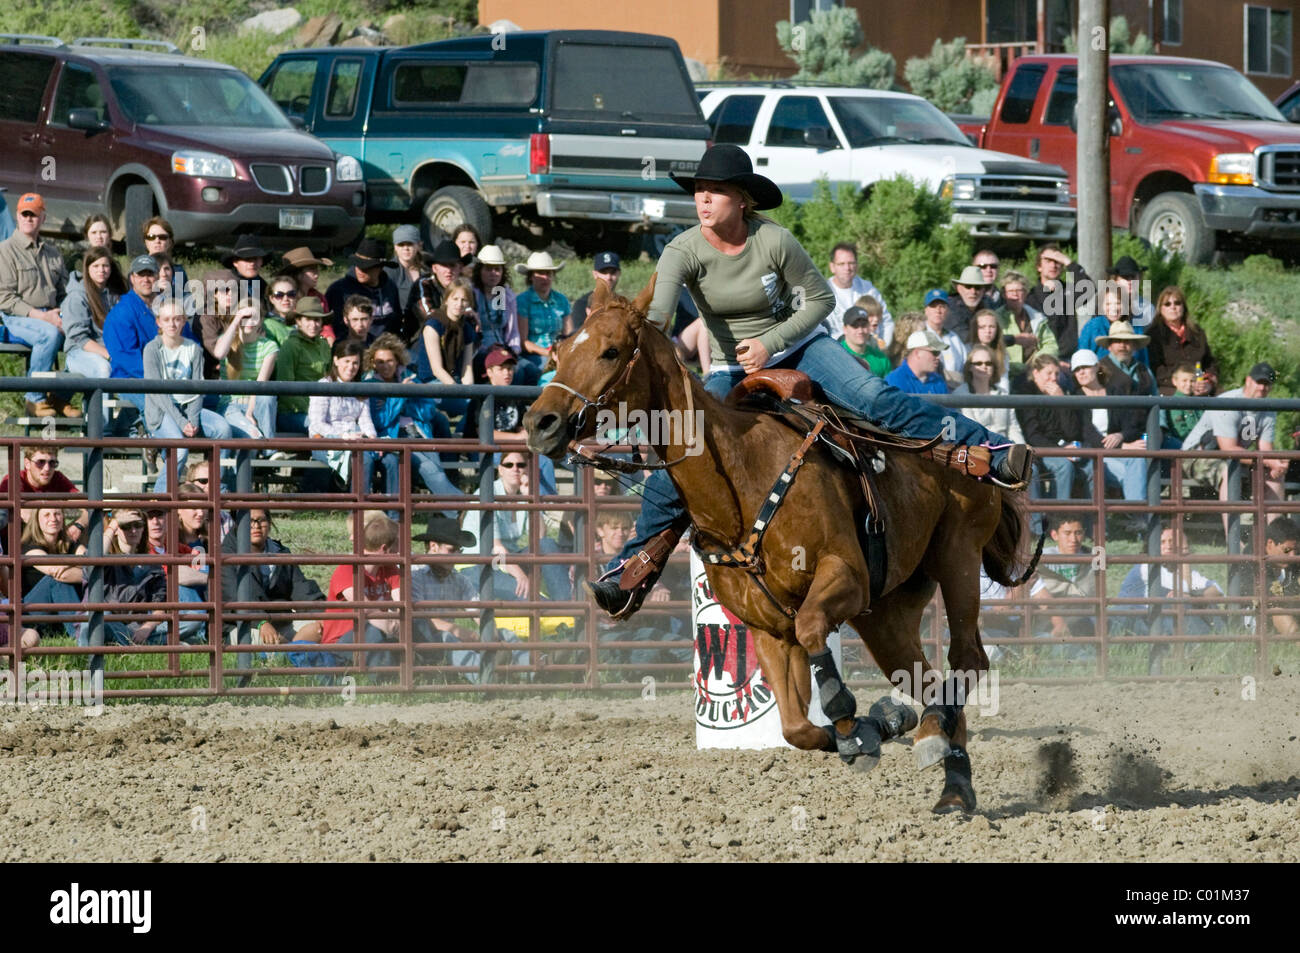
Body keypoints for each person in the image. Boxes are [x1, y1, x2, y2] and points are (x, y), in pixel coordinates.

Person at [588, 144, 1032, 617]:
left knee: (873, 397)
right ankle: (633, 565)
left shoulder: (773, 241)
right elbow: (656, 319)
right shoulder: (683, 249)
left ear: (742, 200)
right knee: (687, 450)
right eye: (699, 190)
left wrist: (769, 341)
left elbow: (820, 301)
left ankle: (990, 449)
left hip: (800, 347)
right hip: (726, 368)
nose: (703, 200)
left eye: (715, 191)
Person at [291, 514, 402, 675]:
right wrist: (395, 624)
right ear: (384, 548)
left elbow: (403, 603)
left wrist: (399, 622)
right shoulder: (347, 569)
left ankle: (433, 668)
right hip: (341, 644)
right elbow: (366, 611)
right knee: (370, 631)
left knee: (416, 622)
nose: (403, 550)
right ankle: (383, 685)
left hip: (382, 632)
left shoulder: (390, 568)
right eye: (398, 544)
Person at [363, 333, 464, 507]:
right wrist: (402, 395)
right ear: (373, 363)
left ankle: (453, 512)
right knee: (432, 471)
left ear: (397, 361)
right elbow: (381, 420)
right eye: (380, 362)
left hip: (419, 431)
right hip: (394, 438)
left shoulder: (411, 378)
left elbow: (428, 411)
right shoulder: (370, 384)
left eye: (389, 361)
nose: (385, 366)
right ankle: (466, 507)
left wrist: (407, 398)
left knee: (436, 470)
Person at [143, 299, 233, 492]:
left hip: (190, 408)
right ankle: (160, 501)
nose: (172, 324)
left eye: (177, 319)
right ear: (159, 322)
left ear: (184, 320)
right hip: (162, 412)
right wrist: (182, 422)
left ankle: (218, 490)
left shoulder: (193, 348)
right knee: (179, 449)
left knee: (223, 430)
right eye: (167, 319)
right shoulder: (152, 349)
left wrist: (192, 419)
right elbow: (157, 393)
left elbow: (197, 387)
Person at [460, 451, 573, 603]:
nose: (515, 469)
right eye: (509, 465)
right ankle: (563, 614)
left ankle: (565, 603)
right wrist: (520, 575)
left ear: (526, 469)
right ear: (500, 469)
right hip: (480, 564)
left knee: (547, 544)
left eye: (521, 465)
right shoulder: (488, 494)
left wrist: (531, 500)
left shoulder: (522, 497)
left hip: (507, 561)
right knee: (534, 599)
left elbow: (539, 538)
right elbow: (496, 548)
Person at [1181, 363, 1286, 521]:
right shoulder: (1228, 402)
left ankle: (1273, 538)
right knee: (1230, 472)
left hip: (1230, 457)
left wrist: (1277, 465)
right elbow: (1228, 448)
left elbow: (1265, 448)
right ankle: (1234, 541)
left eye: (1267, 384)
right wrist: (1270, 461)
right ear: (1248, 381)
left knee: (1274, 476)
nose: (1262, 388)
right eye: (1259, 382)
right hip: (1195, 455)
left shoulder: (1268, 409)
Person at [0, 193, 74, 417]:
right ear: (17, 216)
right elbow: (5, 298)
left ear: (43, 218)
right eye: (24, 214)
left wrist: (65, 315)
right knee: (49, 335)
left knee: (84, 337)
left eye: (34, 215)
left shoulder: (52, 253)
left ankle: (60, 397)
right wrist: (43, 318)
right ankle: (34, 398)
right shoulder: (5, 250)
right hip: (16, 319)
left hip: (52, 315)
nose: (29, 219)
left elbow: (65, 292)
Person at [1118, 523, 1224, 672]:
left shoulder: (1178, 570)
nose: (1168, 546)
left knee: (1206, 602)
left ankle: (1214, 644)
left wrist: (1196, 595)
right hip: (1135, 624)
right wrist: (1185, 556)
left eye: (1173, 542)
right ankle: (1203, 647)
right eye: (1162, 542)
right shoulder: (1147, 566)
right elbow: (1184, 589)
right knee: (1177, 601)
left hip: (1156, 625)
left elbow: (1217, 590)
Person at [220, 508, 325, 648]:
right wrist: (260, 622)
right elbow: (233, 597)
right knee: (266, 641)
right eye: (249, 521)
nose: (256, 526)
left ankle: (289, 652)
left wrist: (322, 614)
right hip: (243, 625)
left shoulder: (280, 552)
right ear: (238, 524)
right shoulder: (225, 555)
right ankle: (293, 652)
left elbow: (301, 588)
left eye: (261, 520)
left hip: (281, 622)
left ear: (269, 522)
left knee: (318, 628)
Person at [465, 345, 558, 495]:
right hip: (485, 448)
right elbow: (484, 433)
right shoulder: (481, 396)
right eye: (501, 369)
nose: (507, 373)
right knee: (516, 463)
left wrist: (524, 434)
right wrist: (517, 437)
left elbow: (521, 425)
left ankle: (549, 508)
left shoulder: (515, 394)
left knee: (543, 460)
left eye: (509, 368)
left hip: (512, 448)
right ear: (489, 372)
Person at [1070, 349, 1149, 506]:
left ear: (1097, 366)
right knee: (1132, 473)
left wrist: (1120, 436)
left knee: (1137, 461)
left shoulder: (1114, 392)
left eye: (1085, 367)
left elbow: (1132, 424)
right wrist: (1123, 445)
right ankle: (1139, 518)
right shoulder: (1075, 397)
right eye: (1077, 370)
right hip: (1094, 453)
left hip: (1116, 452)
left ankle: (1135, 517)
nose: (1081, 373)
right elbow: (1087, 433)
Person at [409, 515, 484, 678]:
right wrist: (460, 632)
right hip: (424, 640)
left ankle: (533, 665)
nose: (456, 556)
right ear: (433, 546)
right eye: (451, 550)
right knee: (447, 638)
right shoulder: (414, 575)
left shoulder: (459, 580)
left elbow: (478, 610)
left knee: (502, 632)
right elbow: (421, 618)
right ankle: (485, 674)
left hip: (450, 637)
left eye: (459, 551)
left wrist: (488, 629)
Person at [1017, 351, 1090, 508]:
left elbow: (1072, 432)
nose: (1054, 378)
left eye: (1057, 374)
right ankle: (1059, 518)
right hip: (1039, 450)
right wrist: (1060, 450)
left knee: (1091, 467)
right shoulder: (1027, 393)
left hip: (1063, 447)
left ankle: (1089, 524)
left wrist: (1061, 401)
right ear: (1036, 373)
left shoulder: (1061, 393)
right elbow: (1032, 435)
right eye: (1048, 373)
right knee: (1064, 466)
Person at [309, 339, 378, 491]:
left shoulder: (361, 388)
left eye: (355, 363)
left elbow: (366, 420)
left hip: (355, 440)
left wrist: (372, 437)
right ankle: (358, 510)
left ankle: (393, 512)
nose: (351, 367)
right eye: (346, 361)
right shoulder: (324, 385)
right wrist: (344, 436)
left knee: (391, 459)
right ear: (336, 360)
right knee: (363, 459)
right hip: (325, 441)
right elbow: (317, 424)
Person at [413, 277, 479, 428]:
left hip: (454, 381)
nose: (459, 304)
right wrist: (458, 392)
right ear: (446, 300)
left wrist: (469, 390)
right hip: (430, 382)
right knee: (468, 406)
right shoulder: (433, 325)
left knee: (478, 404)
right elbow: (437, 369)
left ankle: (464, 440)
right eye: (455, 298)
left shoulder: (467, 328)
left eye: (464, 300)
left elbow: (467, 368)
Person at [211, 297, 278, 442]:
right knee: (253, 434)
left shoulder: (269, 346)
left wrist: (250, 412)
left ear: (261, 320)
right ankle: (268, 450)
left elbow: (260, 384)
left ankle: (269, 453)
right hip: (230, 405)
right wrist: (236, 321)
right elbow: (219, 353)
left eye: (254, 318)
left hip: (255, 404)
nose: (249, 322)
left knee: (267, 398)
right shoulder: (226, 340)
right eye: (245, 317)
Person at [19, 507, 86, 645]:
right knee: (54, 582)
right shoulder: (28, 546)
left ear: (63, 518)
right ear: (36, 520)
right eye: (47, 515)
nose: (53, 519)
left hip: (58, 615)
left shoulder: (69, 543)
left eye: (57, 514)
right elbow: (57, 572)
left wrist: (69, 567)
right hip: (32, 613)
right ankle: (83, 637)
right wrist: (81, 567)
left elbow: (93, 563)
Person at [0, 447, 90, 545]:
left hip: (49, 539)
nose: (47, 468)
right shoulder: (15, 479)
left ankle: (91, 557)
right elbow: (24, 512)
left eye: (52, 463)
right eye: (40, 462)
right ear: (27, 463)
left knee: (92, 523)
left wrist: (79, 525)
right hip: (16, 545)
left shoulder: (57, 477)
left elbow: (86, 506)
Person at [1029, 516, 1100, 639]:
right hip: (1051, 621)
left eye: (1078, 533)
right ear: (1055, 535)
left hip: (1085, 618)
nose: (1073, 539)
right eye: (1067, 533)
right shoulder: (1041, 559)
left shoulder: (1093, 558)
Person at [62, 245, 126, 380]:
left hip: (110, 349)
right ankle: (99, 402)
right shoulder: (77, 297)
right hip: (79, 352)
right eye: (95, 266)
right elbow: (79, 338)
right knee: (104, 370)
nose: (101, 270)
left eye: (105, 266)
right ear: (87, 268)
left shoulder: (115, 295)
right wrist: (109, 355)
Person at [1229, 517, 1300, 637]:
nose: (1292, 556)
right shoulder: (1253, 559)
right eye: (1286, 550)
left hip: (1287, 608)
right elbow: (1265, 595)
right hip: (1255, 618)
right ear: (1270, 543)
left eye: (1295, 550)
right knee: (1277, 611)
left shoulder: (1290, 561)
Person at [1146, 286, 1218, 396]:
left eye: (1177, 303)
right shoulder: (1153, 335)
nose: (1173, 307)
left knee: (1227, 399)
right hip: (1169, 388)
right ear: (1160, 309)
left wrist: (1208, 382)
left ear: (1183, 306)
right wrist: (1185, 383)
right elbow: (1155, 370)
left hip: (1199, 385)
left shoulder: (1197, 332)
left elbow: (1209, 363)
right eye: (1167, 304)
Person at [1025, 244, 1093, 360]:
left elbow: (1089, 289)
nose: (1053, 265)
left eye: (1057, 261)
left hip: (1068, 357)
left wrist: (1068, 262)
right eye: (1048, 261)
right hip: (1042, 358)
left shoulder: (1068, 291)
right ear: (1039, 267)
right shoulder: (1031, 296)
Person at [324, 238, 402, 340]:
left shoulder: (390, 287)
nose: (360, 270)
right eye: (357, 264)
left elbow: (396, 322)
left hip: (385, 349)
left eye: (366, 267)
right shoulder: (338, 291)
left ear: (380, 267)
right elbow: (327, 328)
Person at [275, 296, 331, 434]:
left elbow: (330, 379)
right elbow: (285, 387)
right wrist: (315, 409)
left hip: (321, 410)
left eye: (317, 319)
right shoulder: (290, 346)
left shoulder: (324, 344)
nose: (313, 324)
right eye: (308, 319)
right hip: (292, 413)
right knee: (323, 428)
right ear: (298, 321)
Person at [822, 242, 892, 342]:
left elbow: (886, 322)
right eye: (841, 264)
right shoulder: (824, 293)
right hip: (839, 350)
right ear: (832, 267)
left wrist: (883, 347)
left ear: (857, 265)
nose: (847, 268)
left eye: (851, 263)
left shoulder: (868, 289)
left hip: (872, 350)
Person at [514, 251, 569, 379]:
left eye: (548, 273)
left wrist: (561, 351)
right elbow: (524, 342)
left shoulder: (562, 300)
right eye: (540, 273)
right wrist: (549, 353)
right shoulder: (523, 301)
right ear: (531, 276)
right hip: (534, 354)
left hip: (559, 352)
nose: (545, 277)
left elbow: (569, 333)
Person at [953, 345, 1023, 444]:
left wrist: (1022, 449)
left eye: (989, 363)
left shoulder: (1003, 394)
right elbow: (971, 430)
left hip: (1004, 447)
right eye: (978, 363)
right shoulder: (960, 394)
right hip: (976, 450)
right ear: (969, 367)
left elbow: (1013, 428)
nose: (984, 366)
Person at [1000, 269, 1057, 379]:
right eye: (1010, 291)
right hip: (1007, 374)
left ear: (1026, 293)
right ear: (1004, 294)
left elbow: (1051, 344)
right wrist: (1020, 368)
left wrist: (1038, 363)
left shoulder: (1037, 318)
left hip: (1036, 372)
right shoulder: (996, 318)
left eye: (1019, 290)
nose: (1015, 295)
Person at [1077, 286, 1152, 369]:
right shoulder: (1093, 327)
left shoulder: (1135, 327)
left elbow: (1143, 360)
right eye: (1108, 304)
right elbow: (1082, 357)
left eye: (1118, 303)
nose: (1113, 308)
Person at [1096, 320, 1157, 396]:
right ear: (1109, 346)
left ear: (1134, 346)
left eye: (1127, 341)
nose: (1122, 346)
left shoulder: (1144, 370)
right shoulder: (1099, 369)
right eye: (1117, 341)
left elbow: (1155, 397)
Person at [413, 239, 472, 318]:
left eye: (452, 265)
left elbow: (471, 310)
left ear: (460, 267)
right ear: (434, 268)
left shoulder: (464, 285)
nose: (448, 270)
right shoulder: (424, 283)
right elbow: (429, 315)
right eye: (443, 265)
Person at [383, 224, 428, 322]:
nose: (405, 248)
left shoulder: (426, 269)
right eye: (401, 245)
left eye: (410, 244)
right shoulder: (389, 270)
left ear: (419, 245)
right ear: (395, 247)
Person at [884, 329, 949, 395]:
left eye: (939, 353)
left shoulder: (938, 380)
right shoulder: (895, 381)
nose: (938, 357)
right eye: (935, 352)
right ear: (917, 353)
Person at [570, 251, 621, 332]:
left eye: (613, 272)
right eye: (603, 272)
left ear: (619, 274)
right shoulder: (582, 304)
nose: (608, 277)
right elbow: (576, 337)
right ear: (595, 274)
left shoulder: (622, 304)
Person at [945, 265, 999, 340]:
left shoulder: (987, 305)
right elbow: (967, 339)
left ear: (983, 291)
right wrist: (1014, 339)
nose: (973, 291)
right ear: (959, 289)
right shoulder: (950, 309)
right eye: (968, 286)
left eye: (977, 287)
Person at [142, 217, 188, 305]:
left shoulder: (178, 272)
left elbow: (185, 302)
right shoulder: (138, 271)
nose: (157, 241)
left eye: (162, 237)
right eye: (151, 237)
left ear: (170, 242)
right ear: (145, 242)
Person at [922, 289, 966, 379]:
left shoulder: (954, 338)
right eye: (933, 306)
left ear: (948, 311)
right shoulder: (920, 335)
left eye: (942, 306)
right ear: (926, 310)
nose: (938, 310)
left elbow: (964, 364)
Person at [838, 304, 891, 377]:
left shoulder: (882, 359)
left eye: (863, 325)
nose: (860, 331)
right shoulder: (837, 355)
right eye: (855, 326)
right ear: (845, 329)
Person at [967, 308, 1010, 391]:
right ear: (975, 329)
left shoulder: (1003, 353)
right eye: (982, 327)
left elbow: (1004, 382)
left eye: (992, 327)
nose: (988, 331)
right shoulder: (966, 350)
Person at [282, 246, 332, 316]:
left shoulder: (318, 297)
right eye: (311, 269)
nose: (317, 274)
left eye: (316, 269)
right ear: (298, 274)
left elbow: (325, 323)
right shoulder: (287, 299)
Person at [262, 273, 297, 345]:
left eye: (291, 294)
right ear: (271, 299)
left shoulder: (301, 321)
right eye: (279, 295)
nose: (286, 299)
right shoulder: (267, 325)